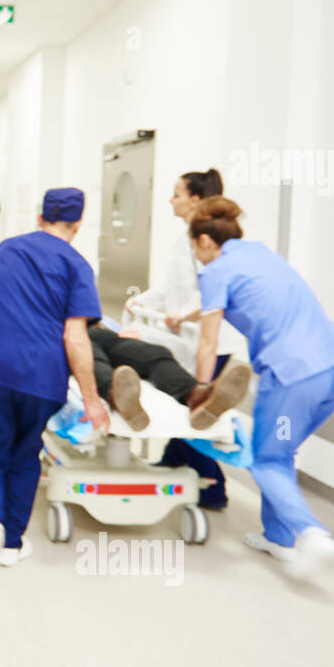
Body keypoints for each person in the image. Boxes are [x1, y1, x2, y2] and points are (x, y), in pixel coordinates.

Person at [189, 197, 334, 581]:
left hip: (292, 377)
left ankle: (310, 534)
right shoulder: (258, 254)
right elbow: (234, 299)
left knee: (266, 460)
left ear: (206, 242)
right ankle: (278, 538)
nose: (196, 256)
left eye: (194, 246)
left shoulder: (215, 270)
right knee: (281, 452)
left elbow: (208, 344)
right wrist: (182, 313)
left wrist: (201, 386)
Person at [0, 188, 109, 577]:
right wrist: (92, 400)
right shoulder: (78, 266)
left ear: (42, 215)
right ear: (78, 223)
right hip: (41, 382)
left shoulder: (9, 248)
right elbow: (74, 339)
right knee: (25, 454)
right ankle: (10, 542)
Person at [126, 168, 241, 508]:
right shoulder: (186, 238)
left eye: (176, 193)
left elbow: (209, 292)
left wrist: (180, 315)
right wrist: (142, 301)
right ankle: (172, 460)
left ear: (194, 199)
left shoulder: (204, 241)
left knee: (194, 410)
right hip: (192, 337)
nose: (170, 200)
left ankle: (212, 487)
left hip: (211, 341)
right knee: (184, 405)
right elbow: (171, 287)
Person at [87, 322, 249, 431]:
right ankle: (116, 395)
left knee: (156, 353)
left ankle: (196, 395)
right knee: (88, 354)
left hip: (101, 333)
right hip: (70, 336)